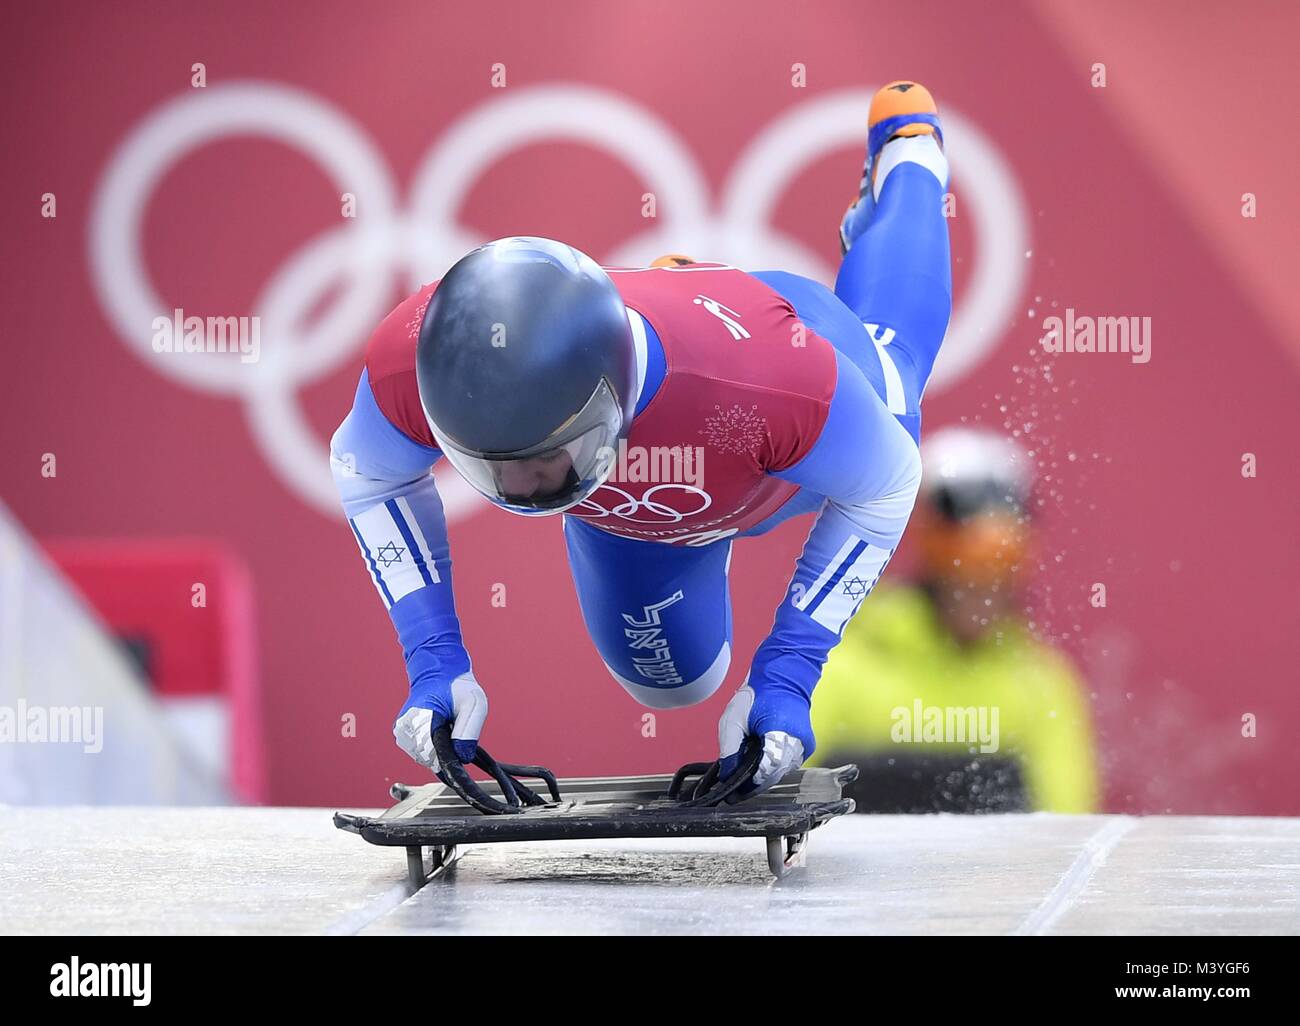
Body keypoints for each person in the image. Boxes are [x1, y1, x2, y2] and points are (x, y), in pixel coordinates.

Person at [330, 82, 953, 797]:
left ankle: (909, 156)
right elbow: (370, 472)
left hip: (773, 374)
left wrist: (790, 672)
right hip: (664, 497)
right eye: (495, 468)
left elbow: (888, 486)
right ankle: (684, 495)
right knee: (677, 687)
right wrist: (433, 662)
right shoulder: (411, 362)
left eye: (545, 460)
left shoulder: (770, 381)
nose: (527, 492)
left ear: (612, 401)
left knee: (896, 377)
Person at [810, 426, 1101, 813]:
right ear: (932, 565)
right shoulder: (840, 669)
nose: (979, 594)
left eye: (997, 574)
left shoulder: (1043, 686)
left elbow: (1066, 830)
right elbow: (785, 810)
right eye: (963, 571)